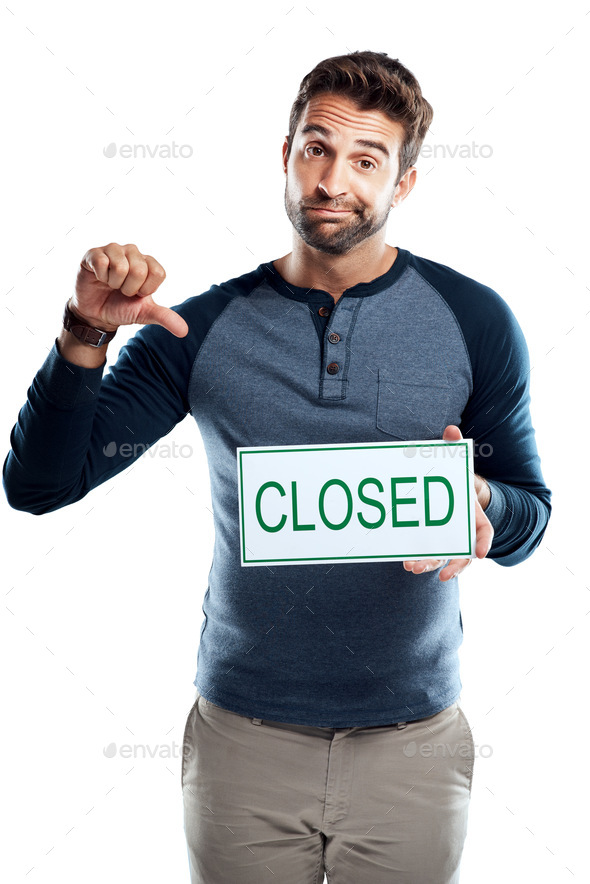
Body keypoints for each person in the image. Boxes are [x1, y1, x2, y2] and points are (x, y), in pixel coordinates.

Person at [3, 50, 551, 883]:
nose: (333, 180)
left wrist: (484, 507)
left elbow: (529, 516)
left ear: (403, 184)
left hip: (413, 739)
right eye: (316, 148)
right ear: (285, 154)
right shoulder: (199, 329)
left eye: (367, 161)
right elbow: (39, 485)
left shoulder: (474, 320)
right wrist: (86, 332)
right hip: (241, 742)